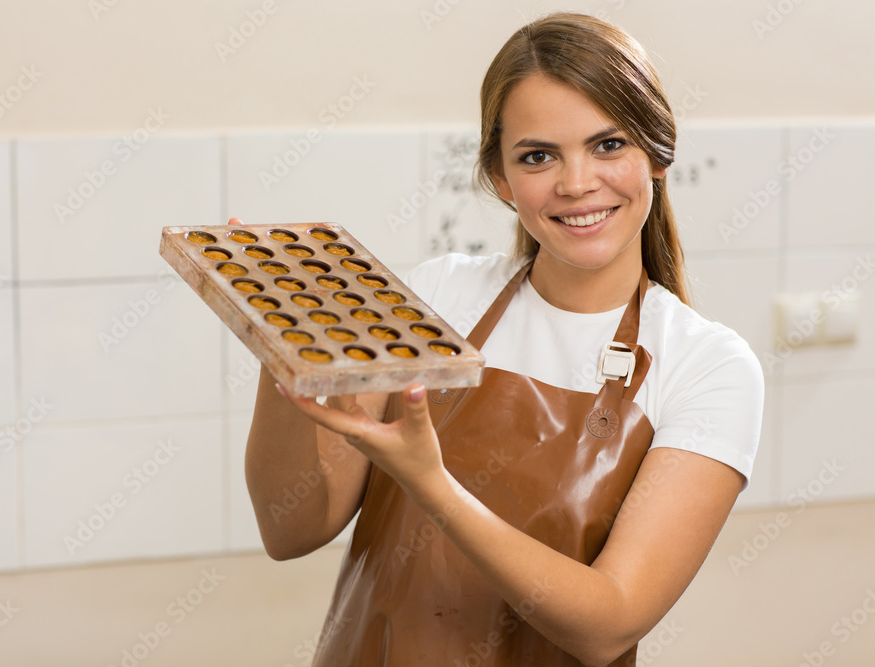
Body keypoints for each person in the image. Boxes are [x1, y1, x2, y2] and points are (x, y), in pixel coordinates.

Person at [241, 11, 764, 666]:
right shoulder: (432, 300)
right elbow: (289, 529)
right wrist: (280, 340)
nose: (577, 183)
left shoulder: (707, 366)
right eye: (538, 156)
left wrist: (431, 485)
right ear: (499, 177)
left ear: (658, 154)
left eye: (608, 144)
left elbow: (610, 621)